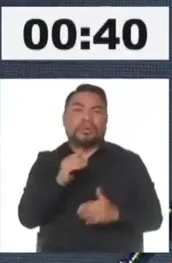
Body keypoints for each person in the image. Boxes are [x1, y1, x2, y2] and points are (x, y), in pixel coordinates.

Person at [16, 84, 163, 253]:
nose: (87, 118)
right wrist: (59, 181)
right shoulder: (47, 162)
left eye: (96, 111)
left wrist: (115, 214)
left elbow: (154, 219)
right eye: (78, 110)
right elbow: (27, 219)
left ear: (106, 120)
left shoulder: (129, 161)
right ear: (64, 118)